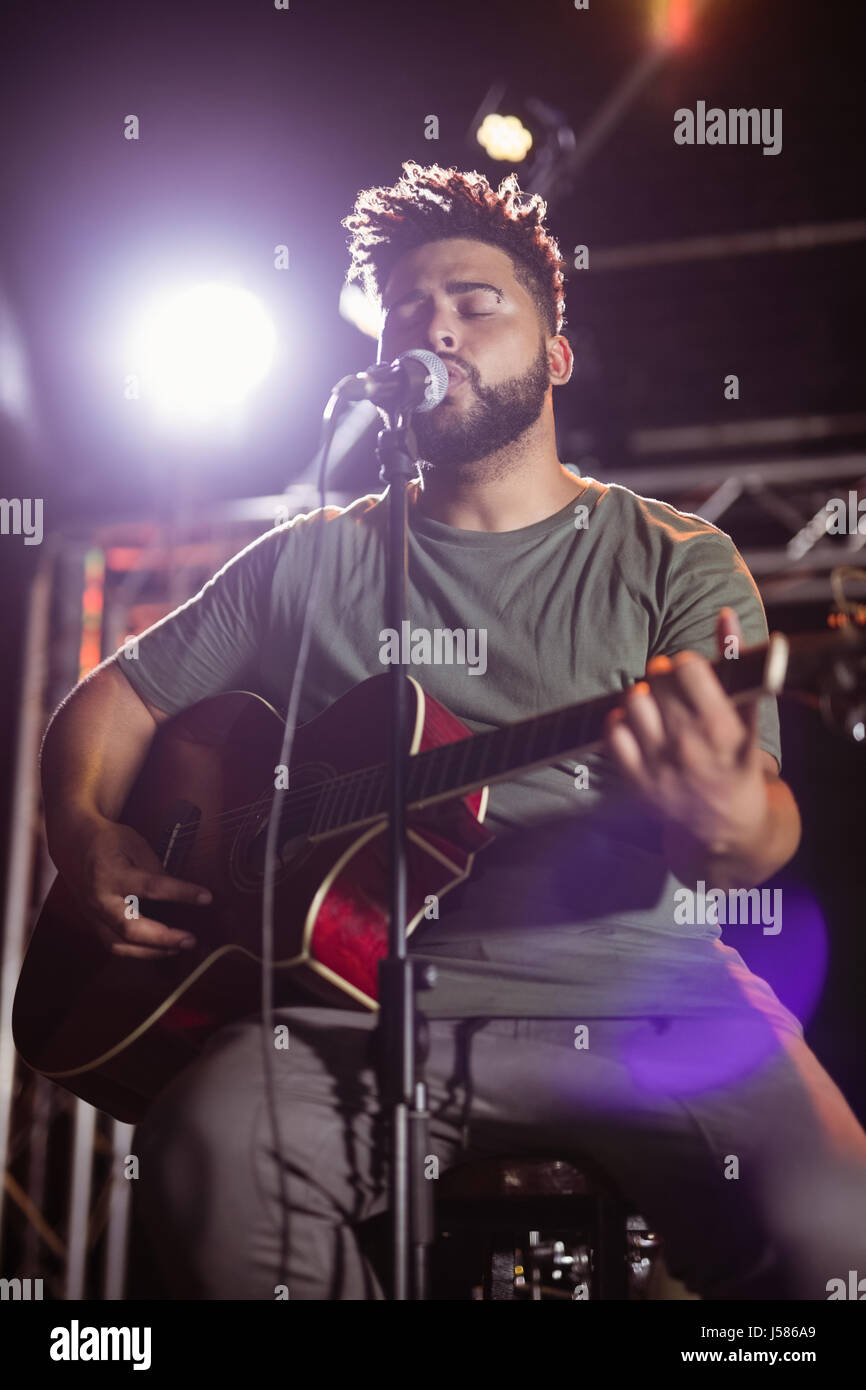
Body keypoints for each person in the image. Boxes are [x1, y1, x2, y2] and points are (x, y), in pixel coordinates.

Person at [39, 162, 866, 1300]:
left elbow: (752, 836)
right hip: (354, 1004)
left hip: (643, 997)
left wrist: (726, 821)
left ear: (555, 352)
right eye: (409, 310)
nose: (437, 326)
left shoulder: (676, 559)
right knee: (206, 1150)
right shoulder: (306, 557)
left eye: (478, 302)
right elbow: (113, 699)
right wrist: (81, 834)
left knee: (839, 1235)